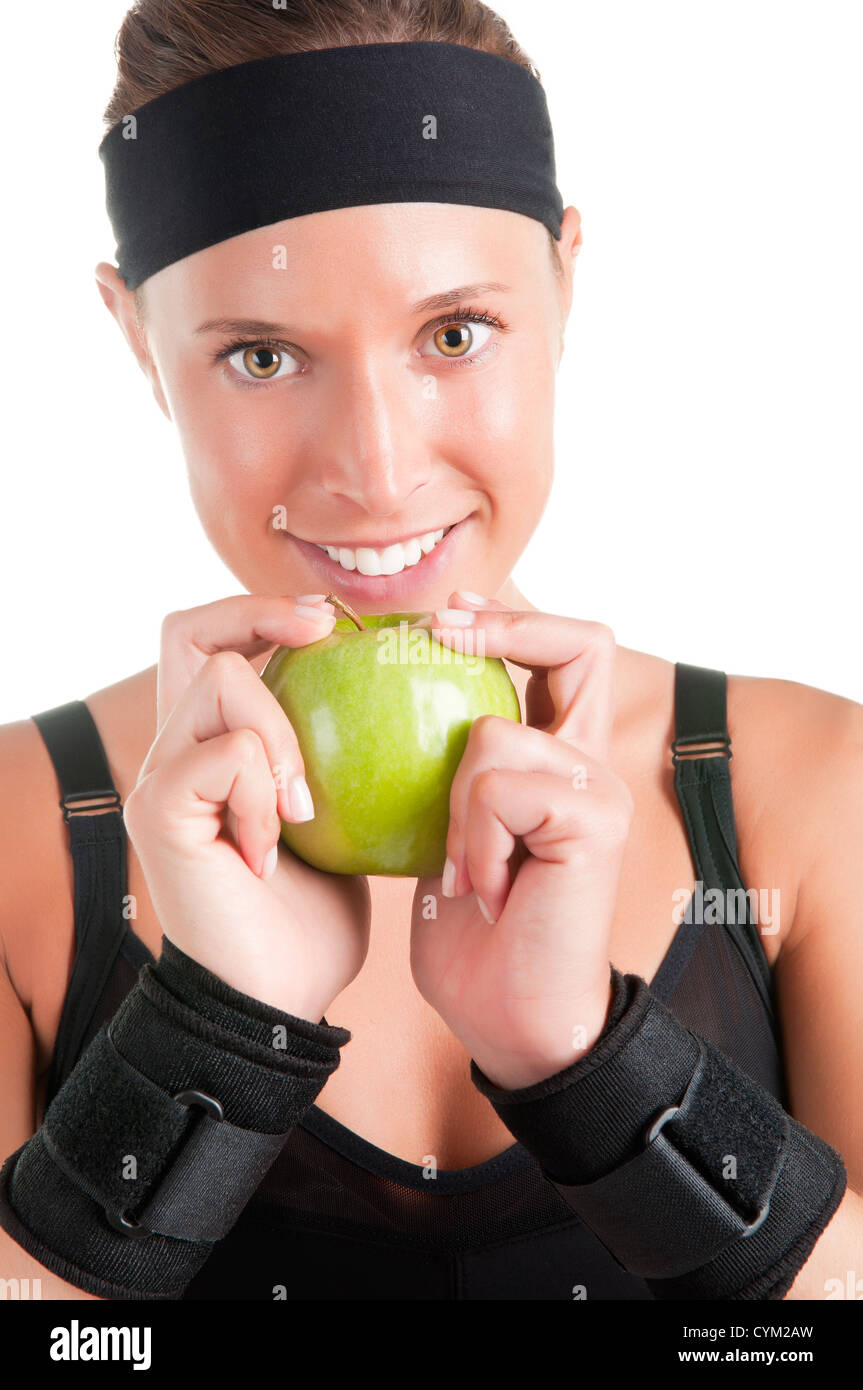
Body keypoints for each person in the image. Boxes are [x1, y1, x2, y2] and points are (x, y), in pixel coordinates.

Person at [0, 0, 860, 1302]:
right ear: (137, 340)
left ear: (566, 281)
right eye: (264, 354)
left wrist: (585, 1053)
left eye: (455, 333)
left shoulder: (808, 791)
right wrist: (215, 1026)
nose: (380, 473)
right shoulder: (19, 832)